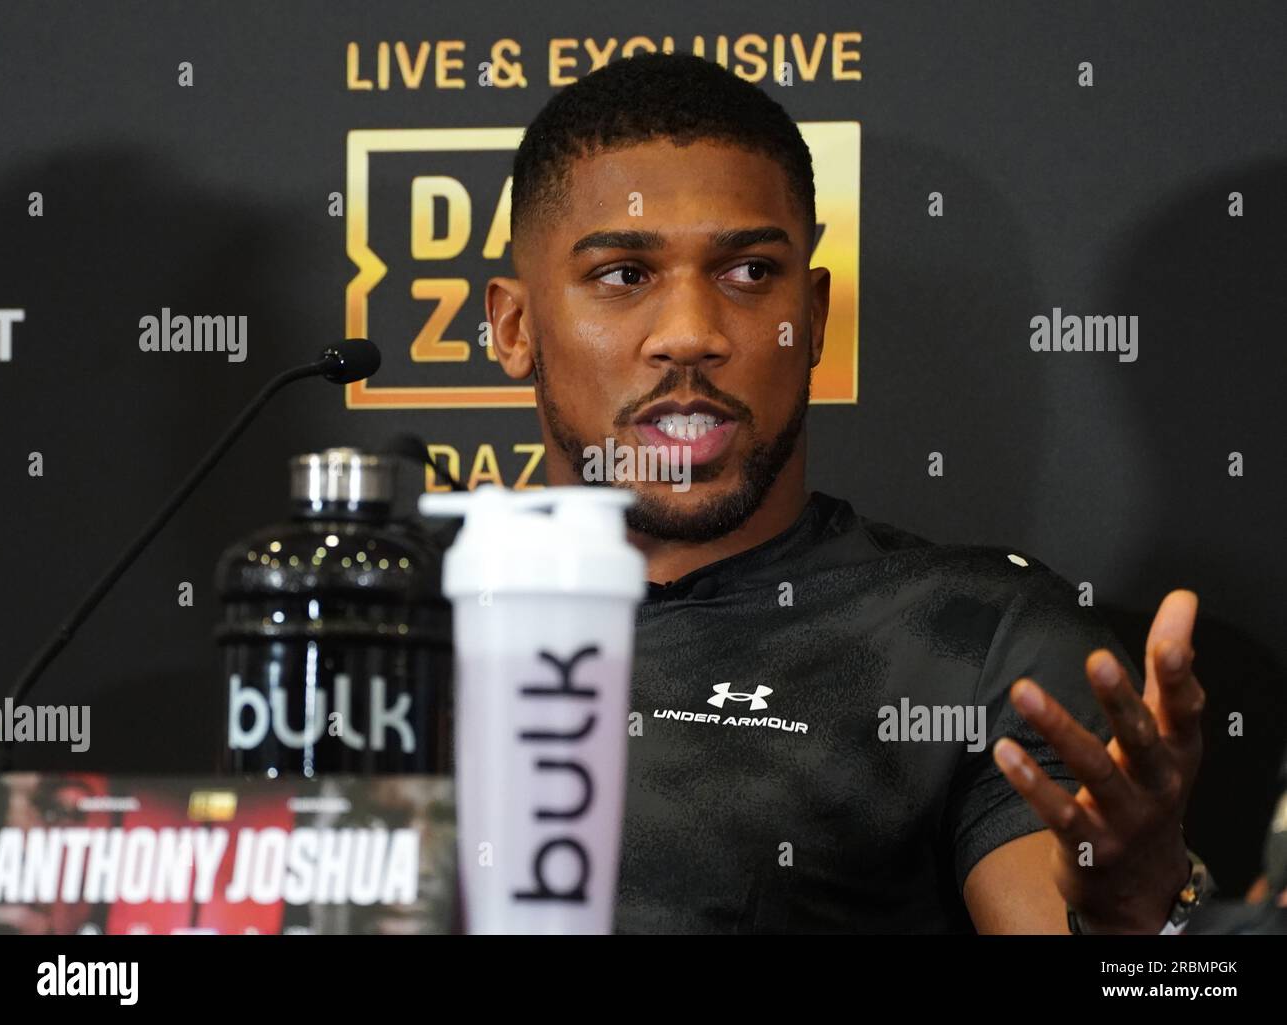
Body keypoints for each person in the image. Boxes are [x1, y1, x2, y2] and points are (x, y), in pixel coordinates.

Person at [483, 51, 1207, 933]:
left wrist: (1138, 932)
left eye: (748, 272)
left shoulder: (978, 638)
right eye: (625, 274)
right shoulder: (376, 629)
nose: (690, 335)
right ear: (514, 327)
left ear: (814, 317)